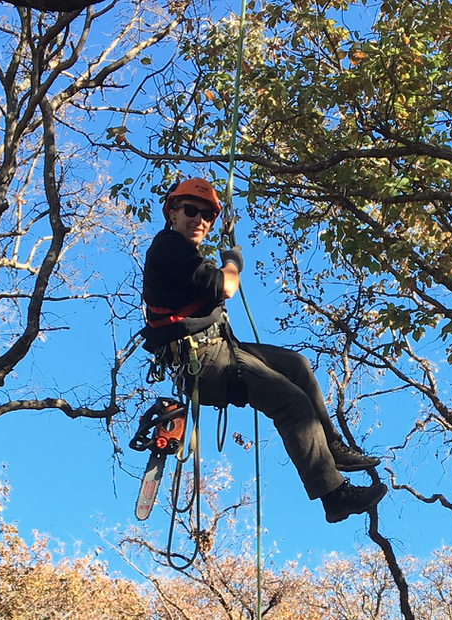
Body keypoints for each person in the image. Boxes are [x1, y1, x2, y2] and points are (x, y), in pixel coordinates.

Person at [141, 177, 386, 523]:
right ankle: (335, 496)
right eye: (191, 211)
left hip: (219, 348)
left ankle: (332, 447)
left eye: (207, 215)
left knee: (297, 365)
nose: (199, 220)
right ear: (173, 213)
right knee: (292, 403)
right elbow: (227, 285)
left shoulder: (184, 255)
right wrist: (233, 261)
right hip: (204, 362)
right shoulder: (170, 248)